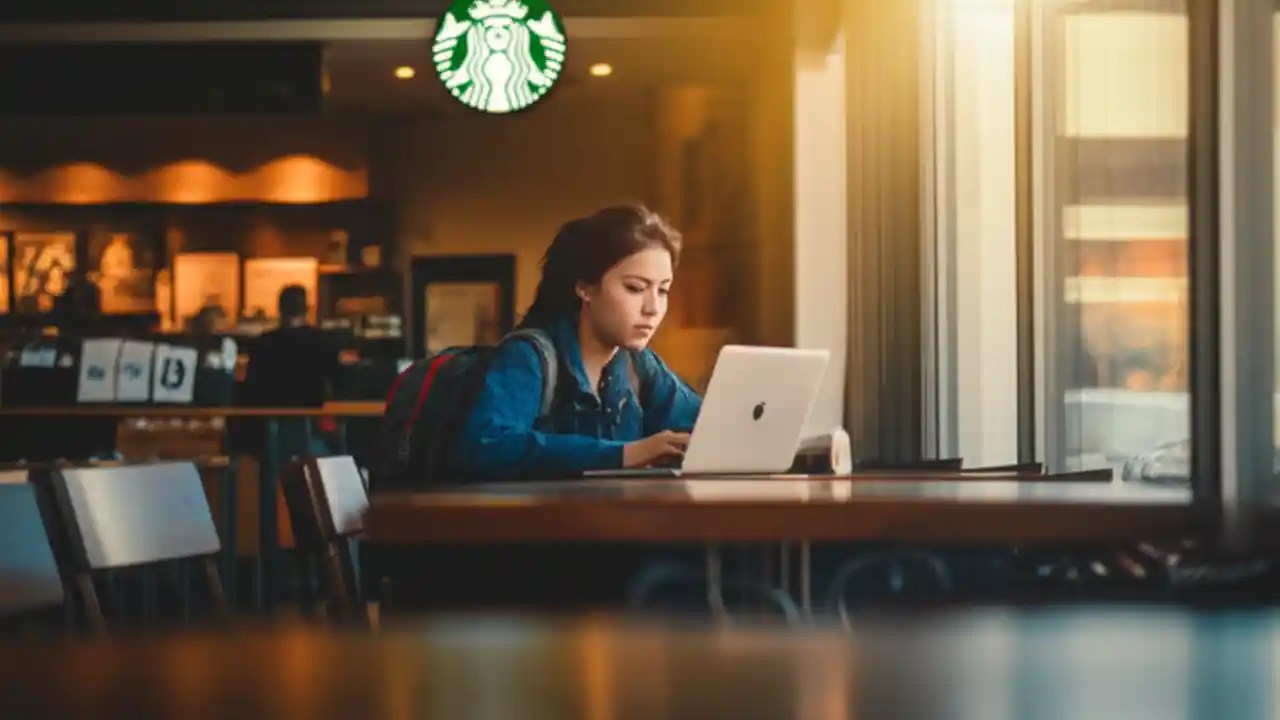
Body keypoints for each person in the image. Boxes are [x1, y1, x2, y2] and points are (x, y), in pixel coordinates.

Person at [454, 204, 702, 482]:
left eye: (663, 289)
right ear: (584, 287)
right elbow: (484, 447)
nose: (653, 307)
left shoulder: (639, 364)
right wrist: (623, 454)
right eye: (635, 288)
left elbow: (702, 425)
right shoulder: (529, 356)